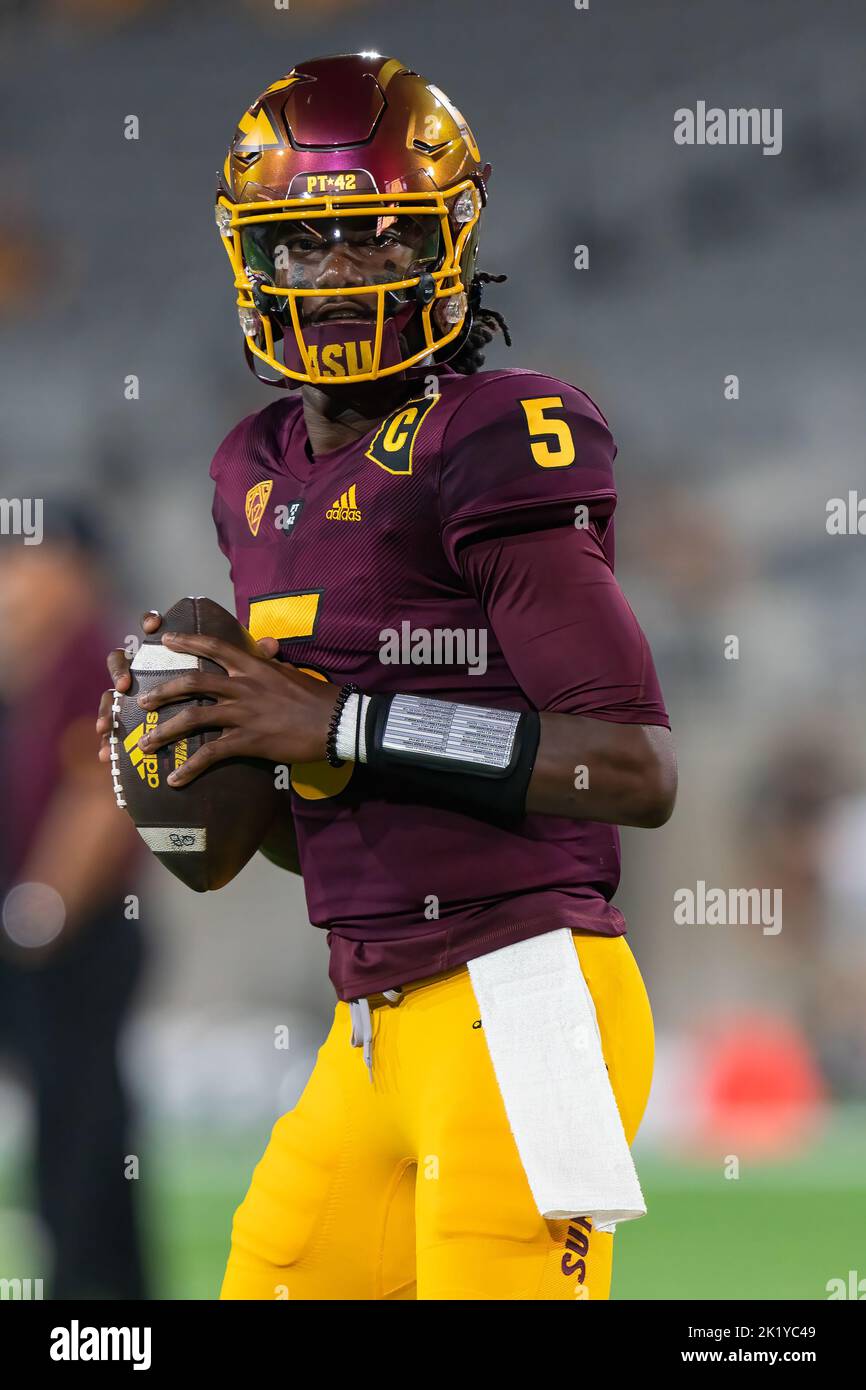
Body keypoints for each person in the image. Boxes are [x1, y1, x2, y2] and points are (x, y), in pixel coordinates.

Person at [96, 54, 676, 1301]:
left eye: (373, 241)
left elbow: (632, 769)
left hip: (523, 994)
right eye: (303, 246)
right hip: (370, 1018)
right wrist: (217, 750)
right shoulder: (250, 469)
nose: (336, 277)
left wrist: (336, 717)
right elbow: (351, 817)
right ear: (251, 260)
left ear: (448, 243)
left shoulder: (495, 437)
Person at [0, 500, 148, 1299]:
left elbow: (102, 797)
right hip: (45, 935)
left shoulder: (97, 661)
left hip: (73, 940)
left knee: (82, 1132)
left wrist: (38, 912)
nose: (10, 582)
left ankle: (95, 1308)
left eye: (27, 560)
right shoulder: (35, 663)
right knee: (72, 1132)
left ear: (77, 573)